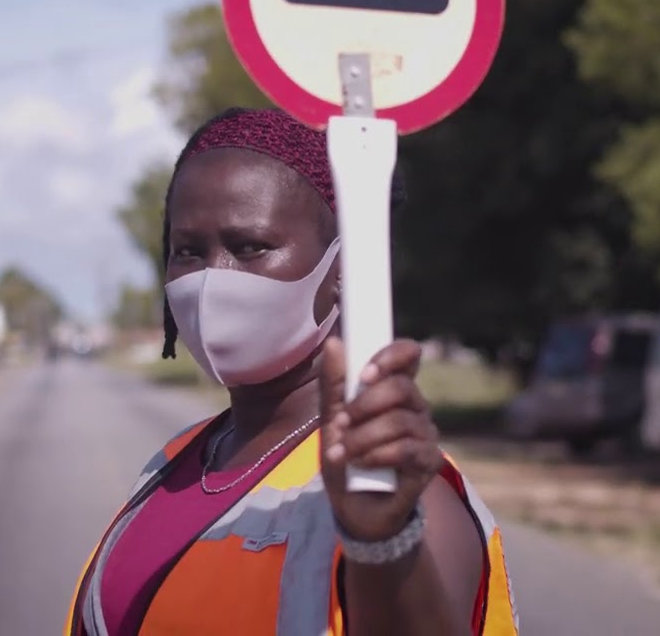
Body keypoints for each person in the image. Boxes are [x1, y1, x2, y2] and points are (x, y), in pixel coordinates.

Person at [65, 108, 518, 635]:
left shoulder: (398, 494)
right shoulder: (174, 464)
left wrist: (383, 543)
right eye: (188, 251)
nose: (213, 278)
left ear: (345, 268)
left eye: (250, 246)